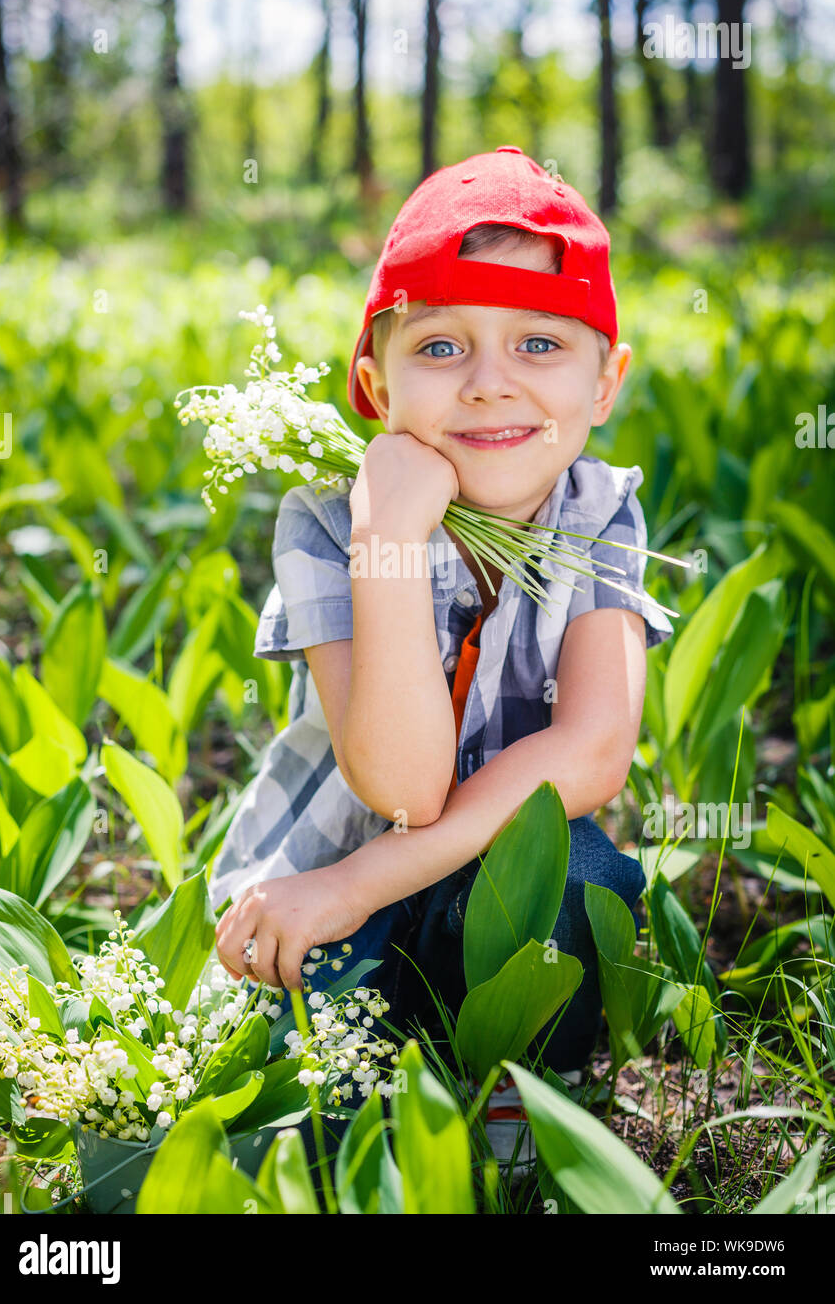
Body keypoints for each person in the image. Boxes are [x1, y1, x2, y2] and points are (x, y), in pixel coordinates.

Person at [212, 144, 674, 1093]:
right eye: (439, 346)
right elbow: (403, 790)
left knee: (577, 875)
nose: (489, 382)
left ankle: (518, 1102)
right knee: (319, 1100)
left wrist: (361, 882)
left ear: (605, 381)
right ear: (378, 387)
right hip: (324, 889)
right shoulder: (329, 525)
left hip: (428, 889)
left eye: (539, 343)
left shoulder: (600, 514)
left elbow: (588, 755)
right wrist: (387, 532)